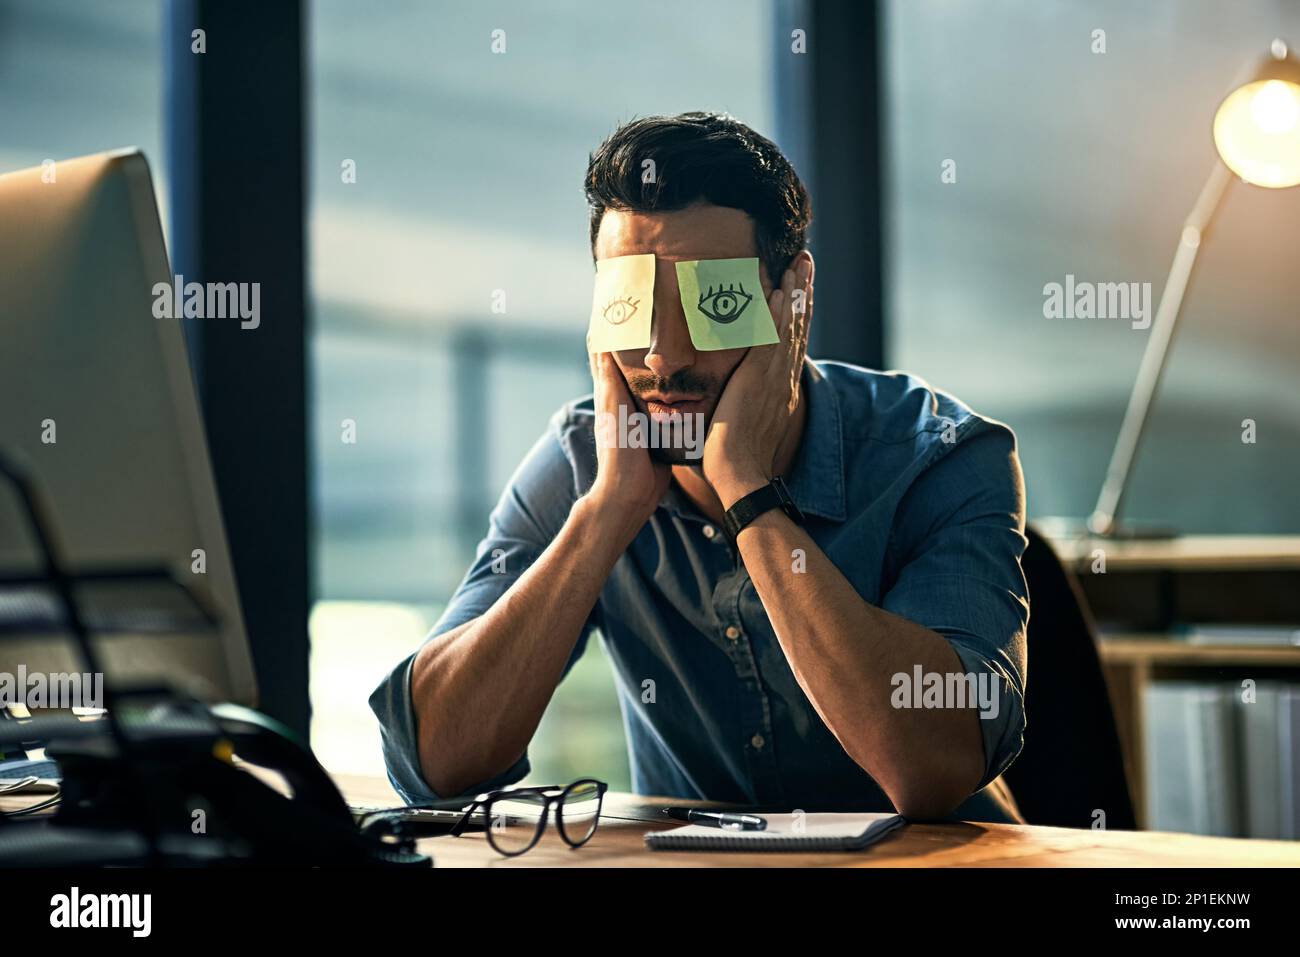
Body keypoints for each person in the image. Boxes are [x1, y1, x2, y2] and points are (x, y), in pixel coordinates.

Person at [371, 112, 1029, 821]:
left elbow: (931, 767)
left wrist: (748, 493)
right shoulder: (581, 465)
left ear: (792, 298)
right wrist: (606, 513)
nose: (664, 360)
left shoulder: (941, 458)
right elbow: (434, 766)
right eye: (633, 310)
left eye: (713, 305)